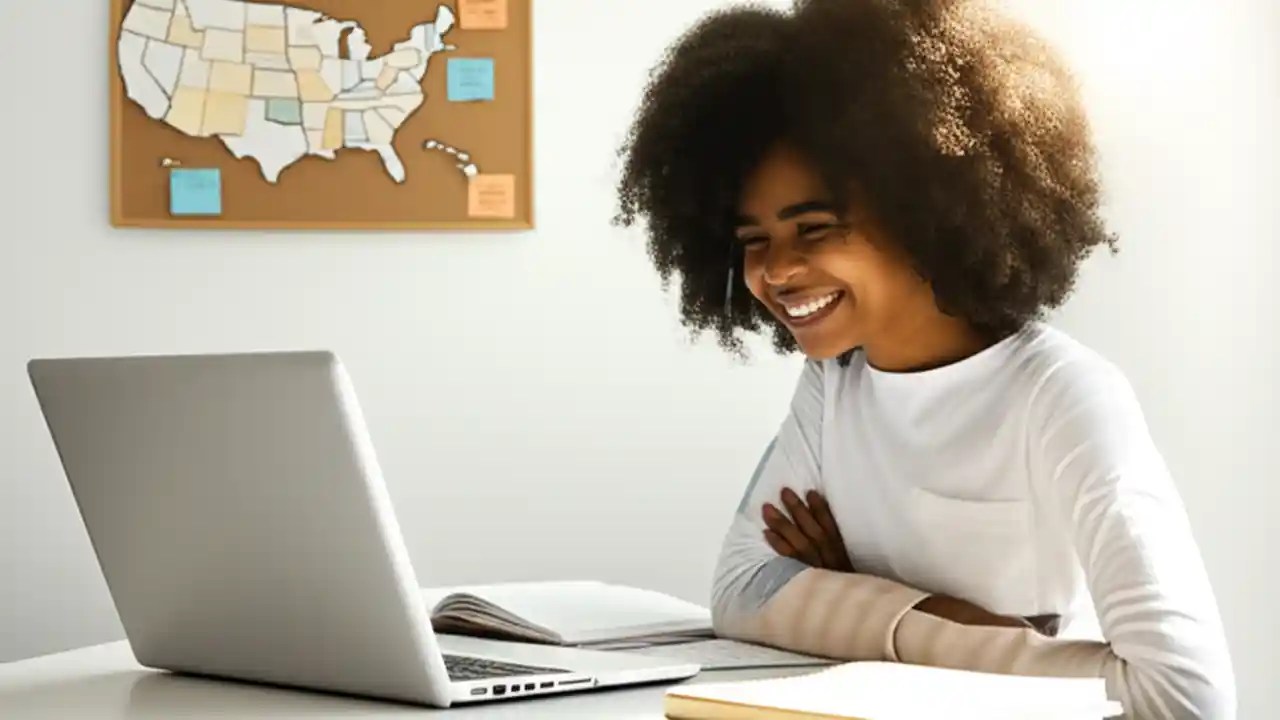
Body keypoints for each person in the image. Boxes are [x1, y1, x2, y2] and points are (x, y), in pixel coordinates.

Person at [613, 1, 1236, 718]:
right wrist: (957, 625)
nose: (775, 272)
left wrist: (850, 609)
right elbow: (743, 592)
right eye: (753, 239)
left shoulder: (1064, 396)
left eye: (813, 228)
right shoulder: (832, 386)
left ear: (927, 214)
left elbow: (1186, 695)